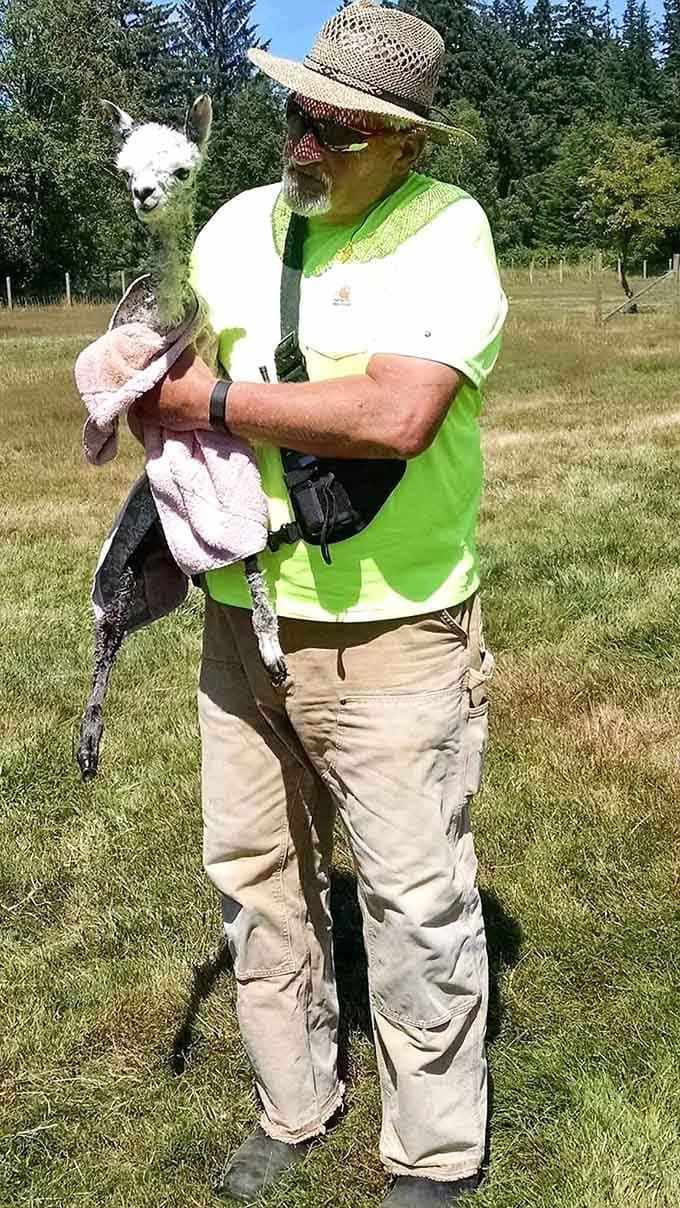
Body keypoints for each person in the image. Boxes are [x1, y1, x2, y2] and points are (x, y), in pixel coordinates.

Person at [133, 3, 507, 1203]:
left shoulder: (444, 232)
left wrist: (211, 405)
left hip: (392, 628)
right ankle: (291, 1103)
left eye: (343, 132)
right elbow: (172, 358)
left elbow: (396, 414)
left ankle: (433, 1150)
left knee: (412, 894)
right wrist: (135, 371)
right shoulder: (236, 226)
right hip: (240, 617)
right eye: (301, 114)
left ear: (407, 145)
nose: (308, 145)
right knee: (254, 871)